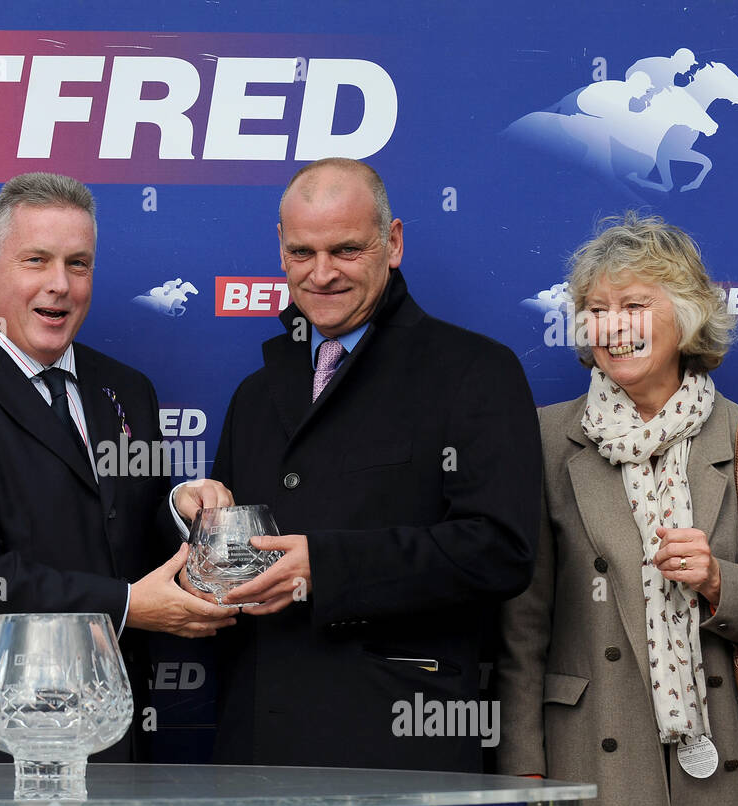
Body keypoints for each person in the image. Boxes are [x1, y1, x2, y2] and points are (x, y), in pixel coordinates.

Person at [174, 157, 541, 770]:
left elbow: (499, 551)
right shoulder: (255, 393)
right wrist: (201, 527)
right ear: (281, 252)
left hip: (396, 744)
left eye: (345, 250)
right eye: (301, 252)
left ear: (392, 243)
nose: (321, 274)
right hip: (257, 749)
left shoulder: (476, 373)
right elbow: (236, 572)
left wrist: (327, 566)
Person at [496, 212, 738, 806]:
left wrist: (722, 582)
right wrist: (522, 769)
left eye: (634, 305)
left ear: (687, 317)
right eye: (595, 310)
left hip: (736, 768)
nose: (612, 326)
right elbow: (522, 626)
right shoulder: (545, 439)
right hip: (593, 756)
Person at [0, 172, 235, 762]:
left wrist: (180, 513)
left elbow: (125, 537)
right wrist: (121, 606)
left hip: (115, 734)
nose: (59, 285)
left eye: (79, 263)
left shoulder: (127, 390)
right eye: (36, 260)